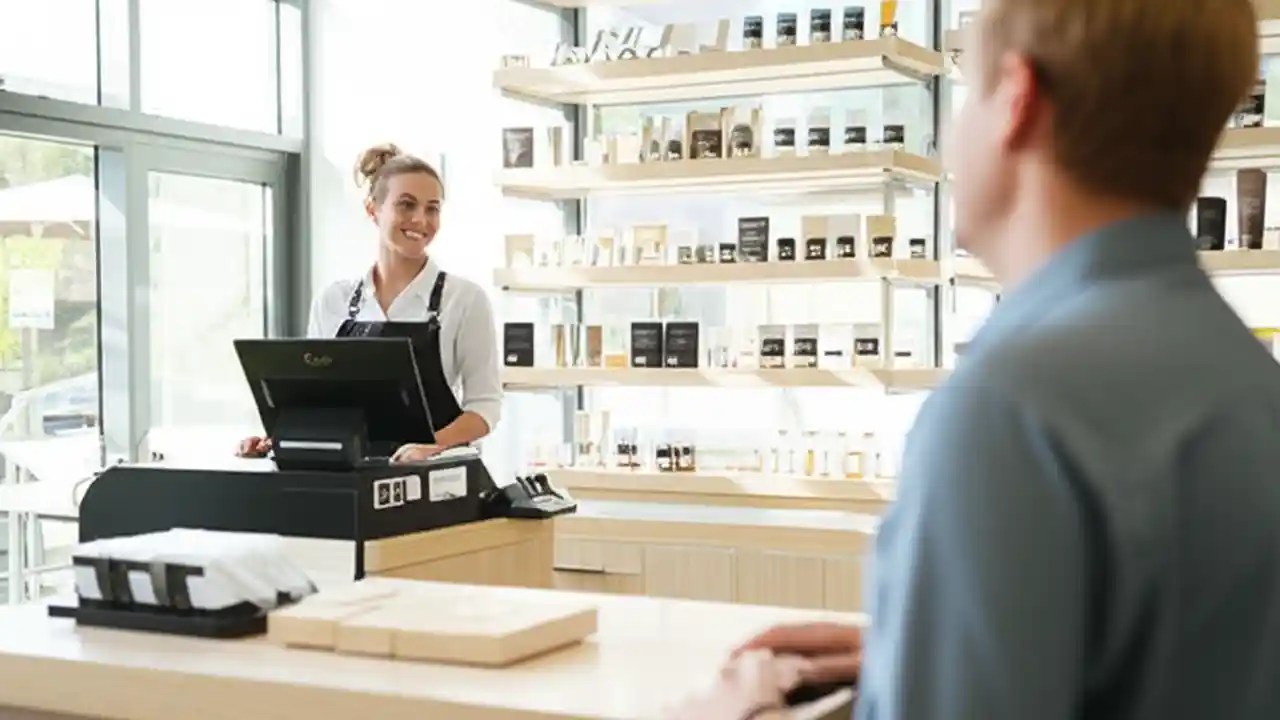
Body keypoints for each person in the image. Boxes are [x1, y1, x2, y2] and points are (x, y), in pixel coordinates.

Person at [669, 0, 1280, 718]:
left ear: (1017, 102)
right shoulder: (1247, 378)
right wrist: (928, 651)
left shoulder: (1013, 408)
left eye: (966, 97)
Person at [239, 144, 502, 464]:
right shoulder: (332, 301)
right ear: (372, 210)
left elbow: (484, 408)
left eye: (432, 208)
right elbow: (317, 401)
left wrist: (430, 446)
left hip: (434, 478)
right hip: (350, 473)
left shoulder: (464, 299)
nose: (421, 220)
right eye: (407, 205)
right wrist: (275, 440)